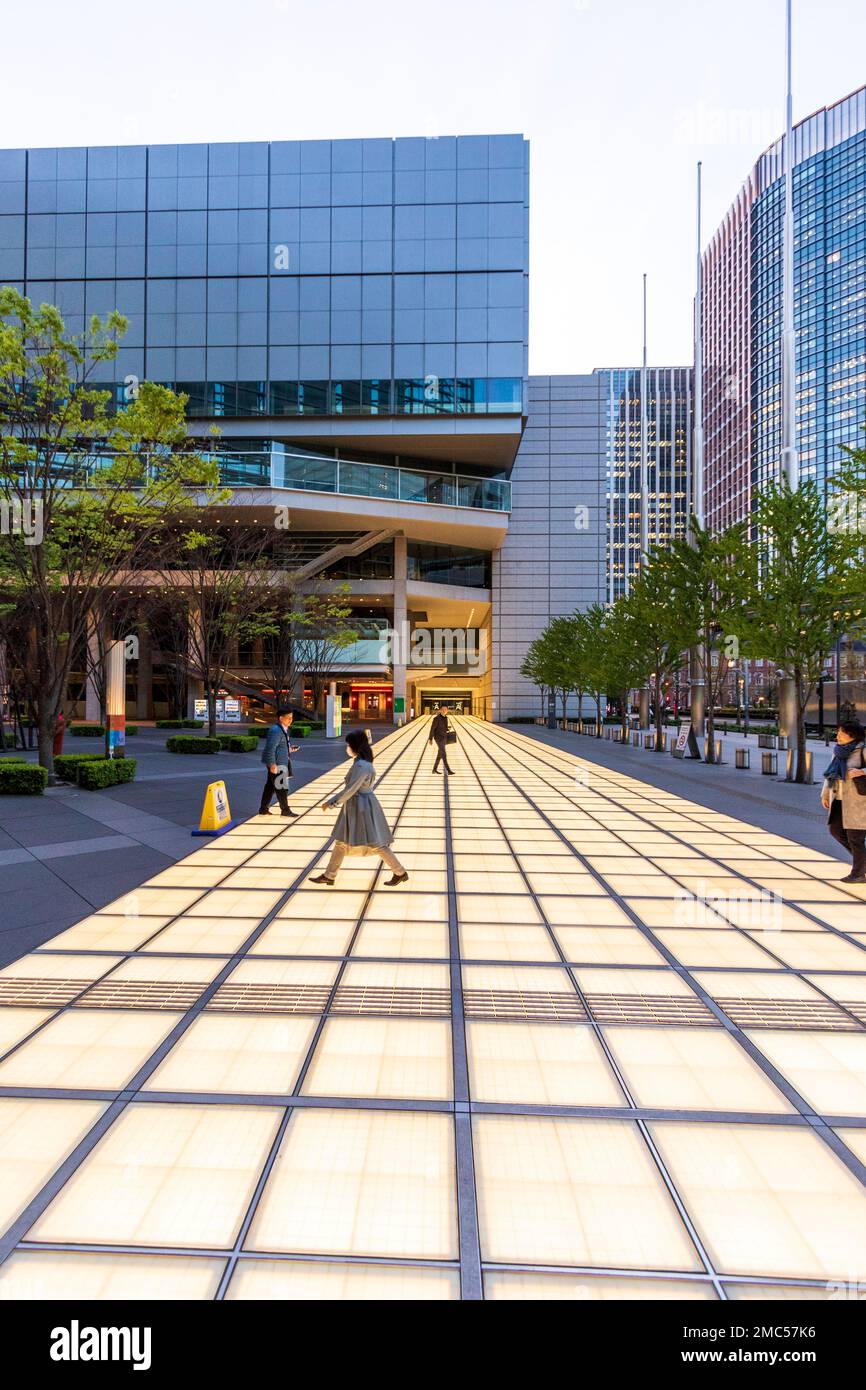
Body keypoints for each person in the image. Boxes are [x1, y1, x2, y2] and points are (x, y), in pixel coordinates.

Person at [311, 729, 409, 885]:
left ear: (355, 745)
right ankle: (329, 875)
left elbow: (350, 789)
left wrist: (331, 803)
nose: (347, 748)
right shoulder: (362, 762)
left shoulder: (361, 765)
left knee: (375, 843)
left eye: (349, 744)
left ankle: (400, 872)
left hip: (360, 807)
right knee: (342, 842)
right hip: (359, 805)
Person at [821, 718, 866, 883]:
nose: (838, 735)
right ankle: (863, 865)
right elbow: (830, 774)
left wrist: (862, 771)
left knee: (856, 838)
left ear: (852, 735)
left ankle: (858, 873)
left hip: (858, 802)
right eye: (838, 732)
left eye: (842, 733)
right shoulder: (838, 751)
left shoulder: (862, 750)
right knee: (836, 831)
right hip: (838, 799)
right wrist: (825, 795)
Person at [258, 706, 300, 817]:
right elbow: (270, 748)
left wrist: (290, 749)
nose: (291, 720)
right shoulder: (276, 730)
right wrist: (272, 764)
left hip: (280, 762)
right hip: (277, 764)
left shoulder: (282, 729)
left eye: (291, 718)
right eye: (288, 718)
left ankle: (263, 809)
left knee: (270, 786)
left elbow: (279, 746)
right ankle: (285, 810)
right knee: (281, 788)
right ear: (281, 718)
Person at [429, 702, 452, 774]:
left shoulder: (445, 718)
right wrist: (430, 739)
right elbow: (432, 729)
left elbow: (444, 727)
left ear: (447, 710)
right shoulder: (436, 718)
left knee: (440, 754)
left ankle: (434, 769)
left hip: (444, 737)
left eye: (445, 709)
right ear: (440, 710)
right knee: (444, 754)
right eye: (443, 709)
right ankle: (448, 770)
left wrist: (447, 728)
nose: (444, 710)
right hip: (438, 738)